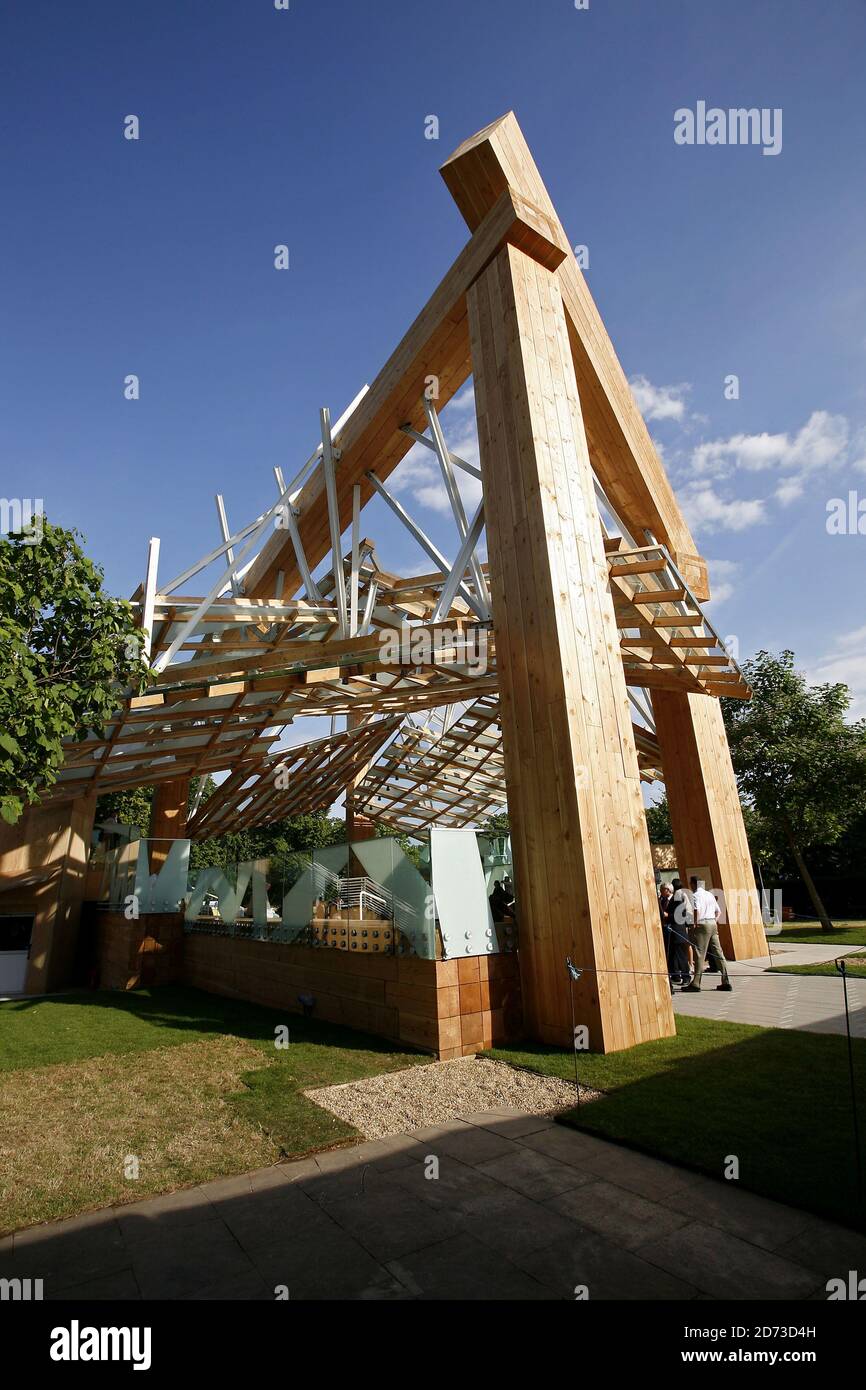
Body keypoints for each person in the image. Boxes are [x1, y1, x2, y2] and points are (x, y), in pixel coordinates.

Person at [682, 878, 732, 992]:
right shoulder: (709, 894)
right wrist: (714, 920)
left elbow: (696, 910)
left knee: (699, 954)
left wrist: (694, 923)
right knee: (718, 952)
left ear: (693, 884)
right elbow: (718, 911)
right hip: (712, 923)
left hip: (702, 924)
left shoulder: (695, 895)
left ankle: (696, 983)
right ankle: (726, 981)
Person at [666, 878, 692, 986]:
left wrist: (668, 916)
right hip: (677, 930)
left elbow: (679, 914)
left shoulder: (678, 896)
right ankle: (676, 975)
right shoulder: (680, 895)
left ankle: (686, 976)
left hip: (678, 930)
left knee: (680, 955)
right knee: (674, 955)